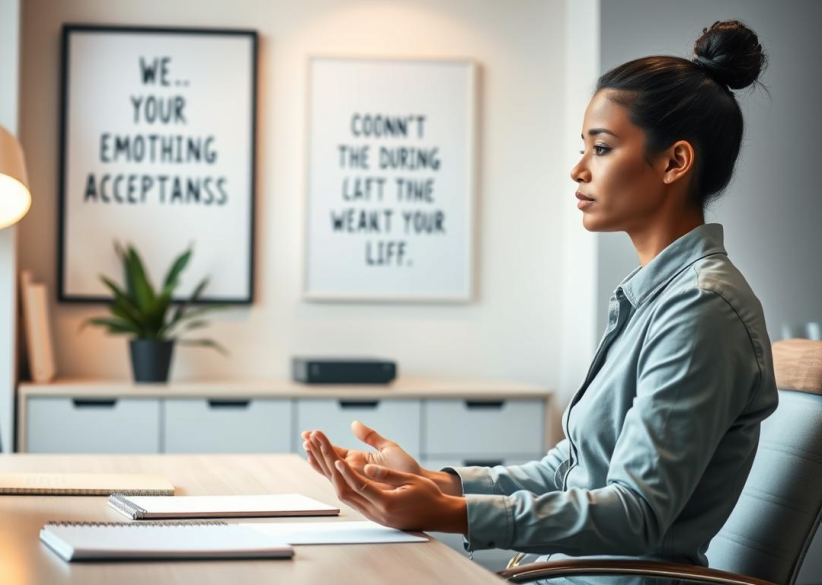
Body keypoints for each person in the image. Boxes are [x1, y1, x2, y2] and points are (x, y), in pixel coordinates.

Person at [302, 19, 778, 570]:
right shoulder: (655, 298)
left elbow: (637, 513)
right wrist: (436, 483)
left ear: (674, 162)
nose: (578, 169)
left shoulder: (700, 309)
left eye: (600, 148)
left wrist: (451, 513)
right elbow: (568, 469)